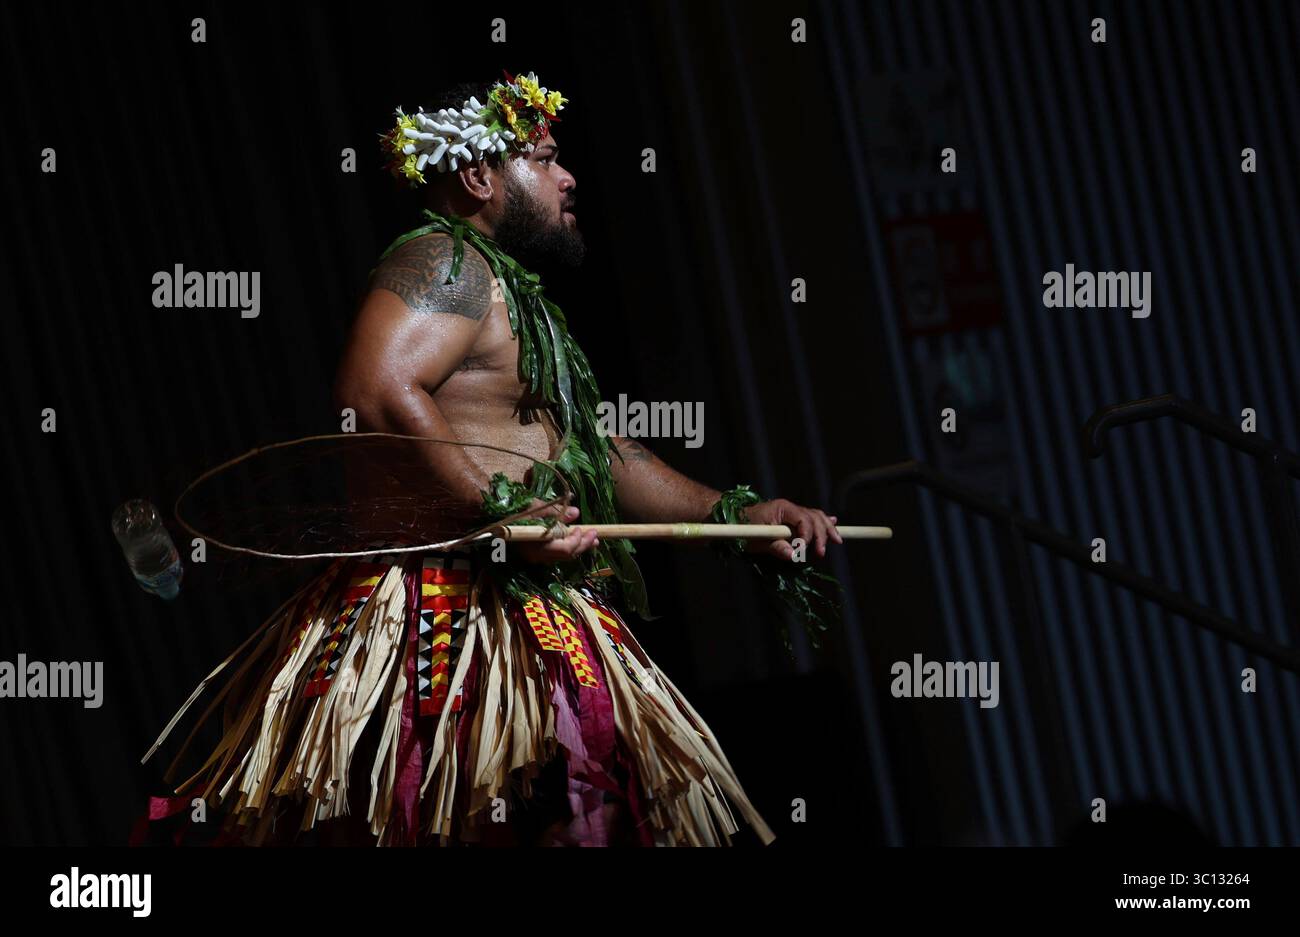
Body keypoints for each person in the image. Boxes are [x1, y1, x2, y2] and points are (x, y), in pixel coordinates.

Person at [144, 72, 841, 847]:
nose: (568, 175)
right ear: (478, 176)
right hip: (446, 612)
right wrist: (503, 509)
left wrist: (735, 514)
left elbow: (593, 452)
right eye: (542, 158)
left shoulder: (509, 290)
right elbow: (374, 389)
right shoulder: (448, 261)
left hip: (518, 611)